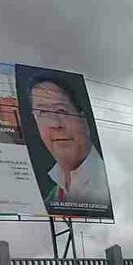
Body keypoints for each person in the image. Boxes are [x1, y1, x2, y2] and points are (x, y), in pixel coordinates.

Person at [29, 77, 110, 207]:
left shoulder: (108, 187)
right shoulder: (53, 195)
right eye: (43, 112)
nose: (55, 124)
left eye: (62, 110)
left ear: (83, 120)